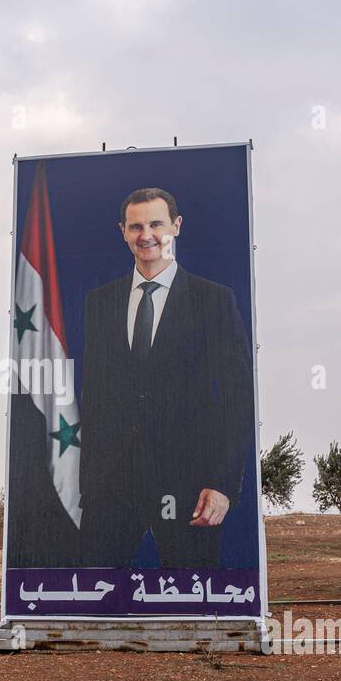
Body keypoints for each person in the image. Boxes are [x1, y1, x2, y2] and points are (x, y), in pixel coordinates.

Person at [79, 187, 253, 567]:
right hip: (110, 492)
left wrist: (222, 484)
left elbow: (237, 400)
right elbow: (92, 397)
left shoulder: (214, 301)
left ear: (176, 226)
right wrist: (89, 484)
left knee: (191, 609)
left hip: (191, 489)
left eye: (156, 224)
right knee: (97, 605)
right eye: (136, 226)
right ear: (123, 231)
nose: (147, 235)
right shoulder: (99, 303)